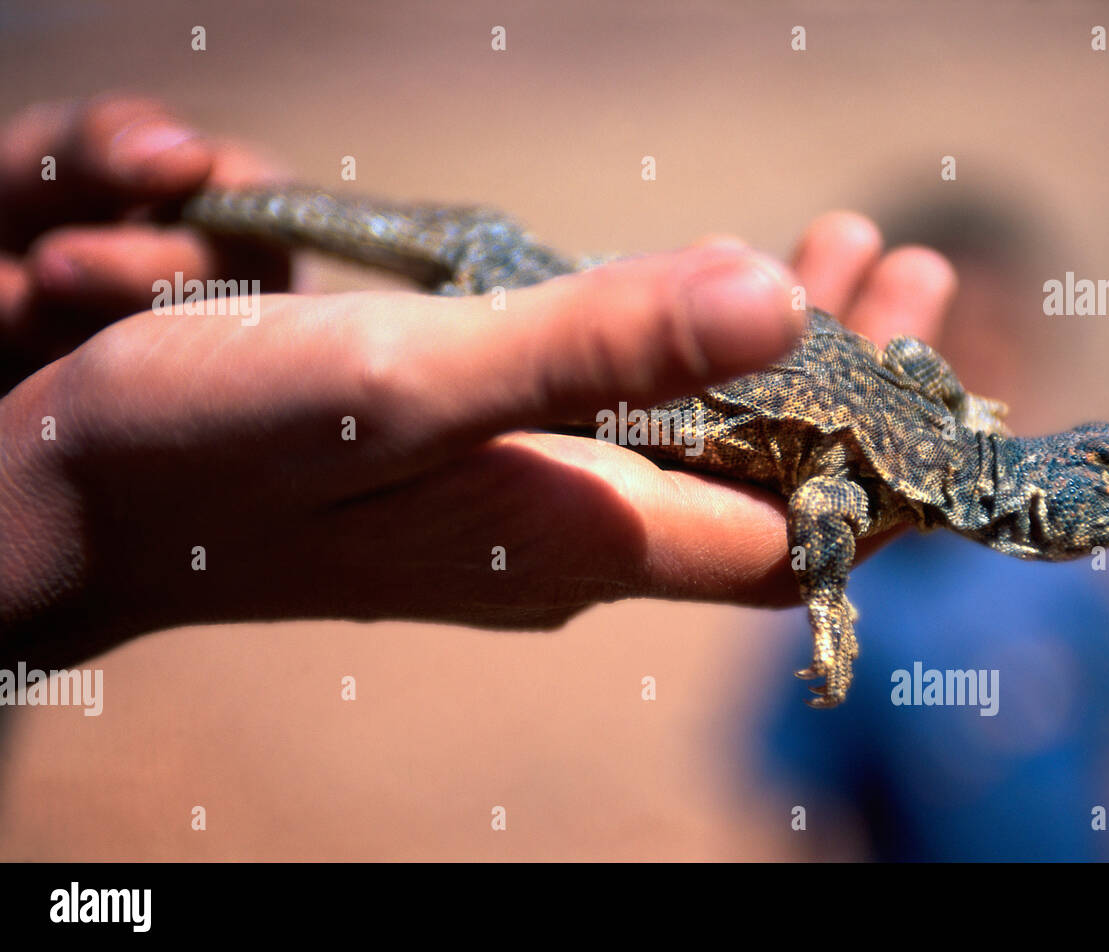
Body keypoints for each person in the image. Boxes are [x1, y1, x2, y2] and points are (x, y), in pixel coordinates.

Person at [0, 95, 959, 671]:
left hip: (522, 260)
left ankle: (205, 202)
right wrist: (62, 493)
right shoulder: (884, 462)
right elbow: (828, 512)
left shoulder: (904, 435)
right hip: (503, 271)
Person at [756, 198, 1109, 861]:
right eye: (953, 337)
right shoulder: (847, 579)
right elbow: (811, 817)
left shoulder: (1093, 586)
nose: (979, 354)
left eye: (1001, 334)